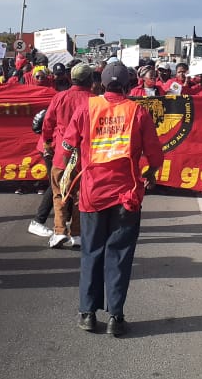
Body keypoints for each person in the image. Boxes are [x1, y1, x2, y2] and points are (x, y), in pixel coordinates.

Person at [57, 62, 163, 336]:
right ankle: (116, 316)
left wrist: (60, 174)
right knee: (119, 255)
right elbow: (156, 154)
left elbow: (67, 146)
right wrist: (150, 173)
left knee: (91, 253)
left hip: (92, 195)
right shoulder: (138, 112)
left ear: (100, 84)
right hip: (126, 197)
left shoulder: (87, 108)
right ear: (128, 85)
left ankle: (88, 314)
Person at [40, 63, 96, 248]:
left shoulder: (60, 97)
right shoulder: (96, 101)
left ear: (71, 79)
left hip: (62, 154)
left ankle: (59, 231)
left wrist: (47, 143)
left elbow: (47, 123)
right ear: (90, 80)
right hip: (86, 157)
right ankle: (77, 234)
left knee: (59, 193)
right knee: (81, 196)